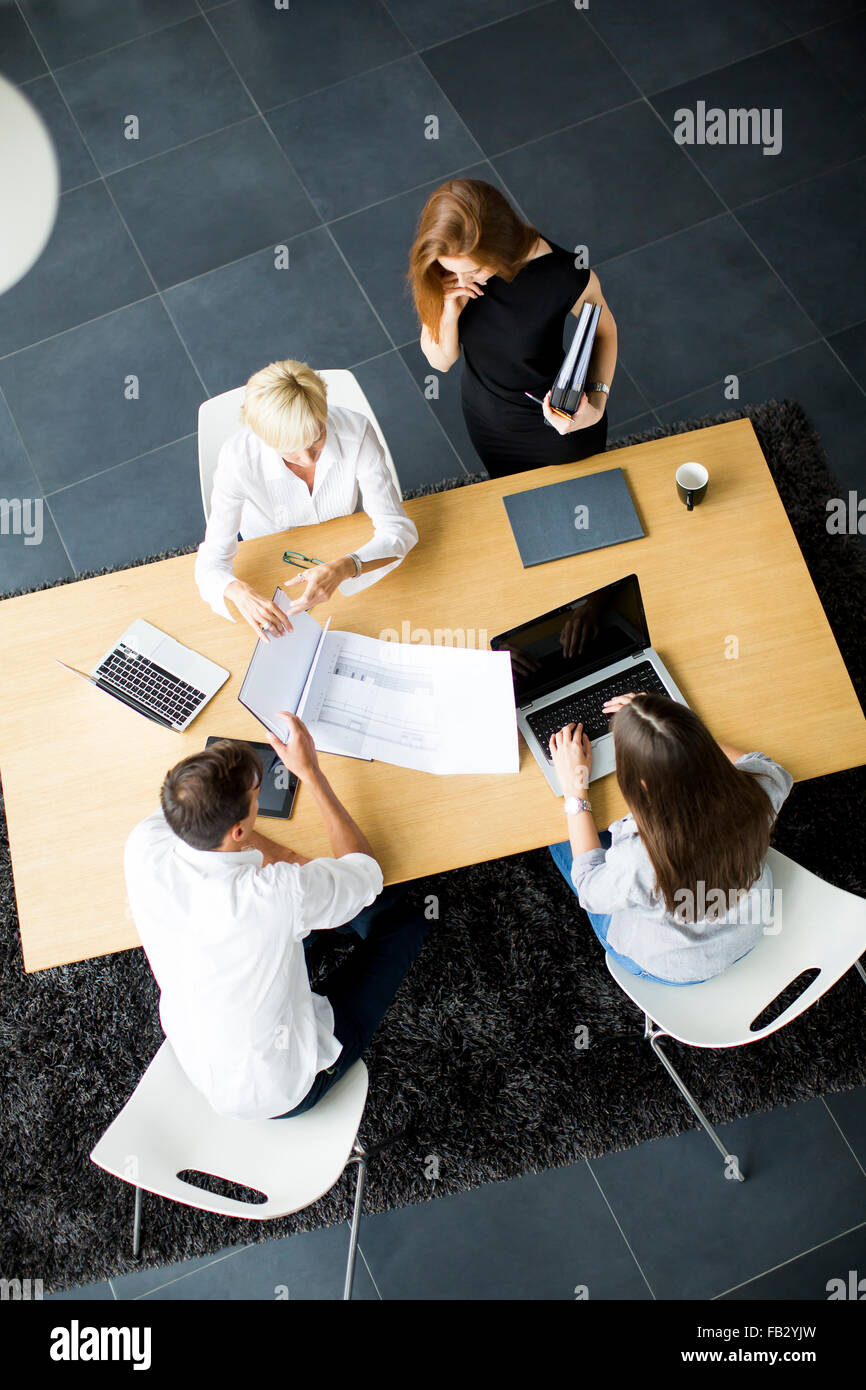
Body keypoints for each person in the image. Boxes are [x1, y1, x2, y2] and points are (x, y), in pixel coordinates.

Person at [123, 716, 430, 1120]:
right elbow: (365, 871)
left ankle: (334, 914)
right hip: (284, 1086)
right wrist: (311, 774)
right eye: (257, 794)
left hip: (205, 1059)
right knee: (404, 920)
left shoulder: (144, 844)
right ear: (237, 829)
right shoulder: (274, 895)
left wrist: (289, 861)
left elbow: (226, 835)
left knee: (314, 913)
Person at [546, 693, 793, 985]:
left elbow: (589, 889)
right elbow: (763, 764)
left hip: (676, 967)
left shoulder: (639, 857)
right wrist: (668, 732)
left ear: (643, 783)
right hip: (750, 927)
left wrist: (576, 787)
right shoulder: (757, 788)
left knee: (556, 835)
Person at [194, 359, 418, 642]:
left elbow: (399, 530)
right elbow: (210, 562)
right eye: (291, 451)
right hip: (276, 559)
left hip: (342, 546)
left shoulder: (356, 431)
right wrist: (240, 592)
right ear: (264, 439)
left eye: (317, 439)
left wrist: (345, 567)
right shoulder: (237, 460)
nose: (308, 459)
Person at [410, 178, 618, 478]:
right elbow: (441, 362)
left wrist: (596, 405)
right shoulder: (449, 275)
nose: (463, 281)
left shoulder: (563, 275)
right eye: (452, 270)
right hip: (487, 423)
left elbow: (604, 330)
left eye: (474, 270)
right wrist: (447, 313)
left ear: (500, 244)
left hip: (555, 425)